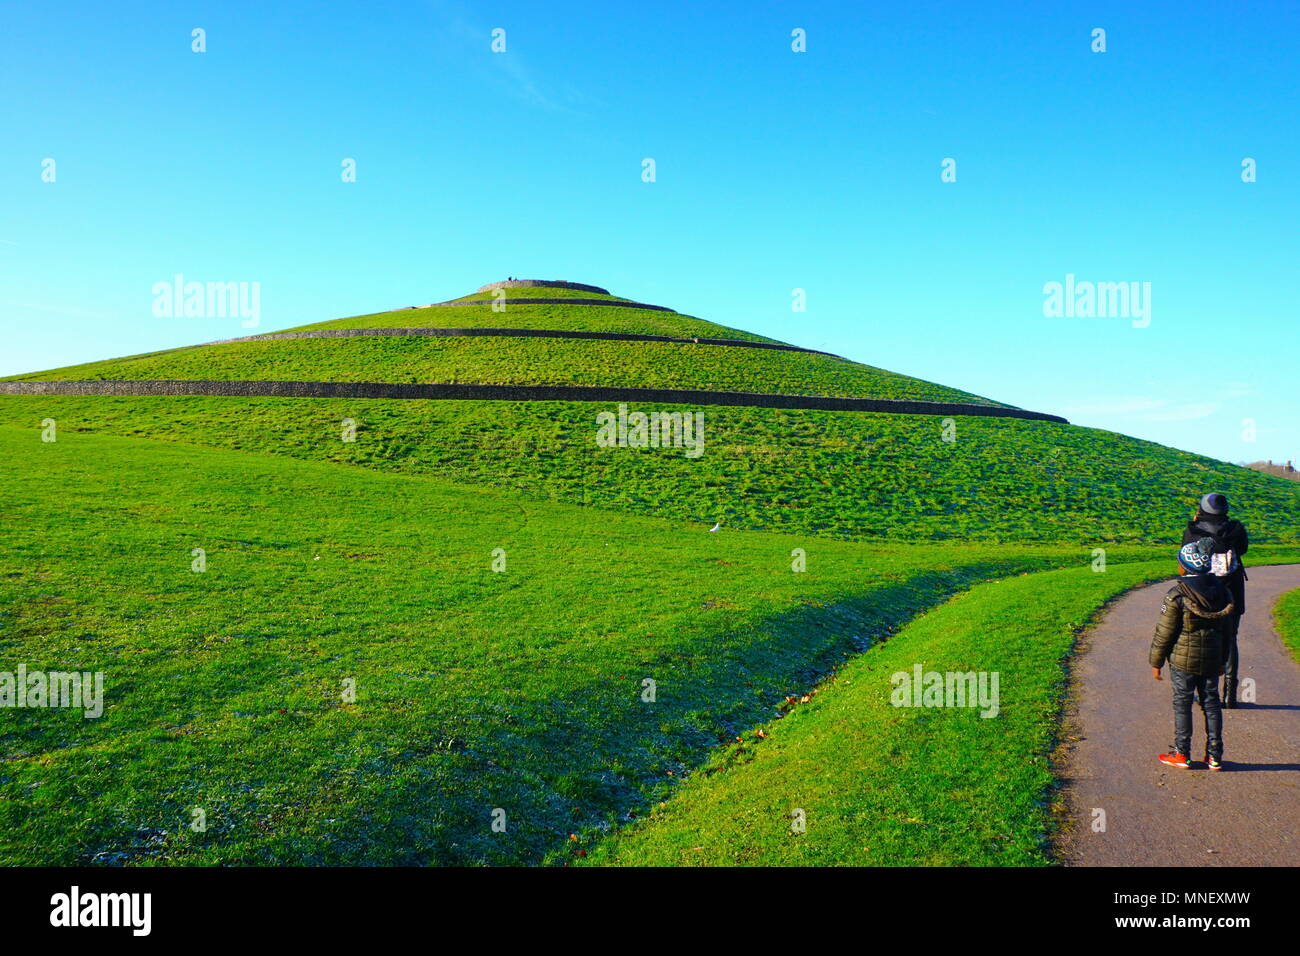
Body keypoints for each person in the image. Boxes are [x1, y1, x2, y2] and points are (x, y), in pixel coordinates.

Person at [1149, 539, 1236, 770]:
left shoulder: (1176, 594)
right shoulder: (1223, 592)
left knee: (1182, 703)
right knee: (1211, 703)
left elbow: (1164, 633)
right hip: (1212, 659)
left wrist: (1156, 662)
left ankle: (1181, 752)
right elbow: (1228, 633)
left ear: (1184, 566)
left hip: (1182, 661)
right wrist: (1224, 658)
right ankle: (1215, 755)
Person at [1181, 492, 1249, 706]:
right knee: (1230, 639)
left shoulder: (1193, 531)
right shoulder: (1236, 530)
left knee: (1197, 637)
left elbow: (1185, 554)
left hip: (1202, 590)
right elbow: (1243, 550)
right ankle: (1229, 694)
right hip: (1231, 591)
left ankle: (1201, 691)